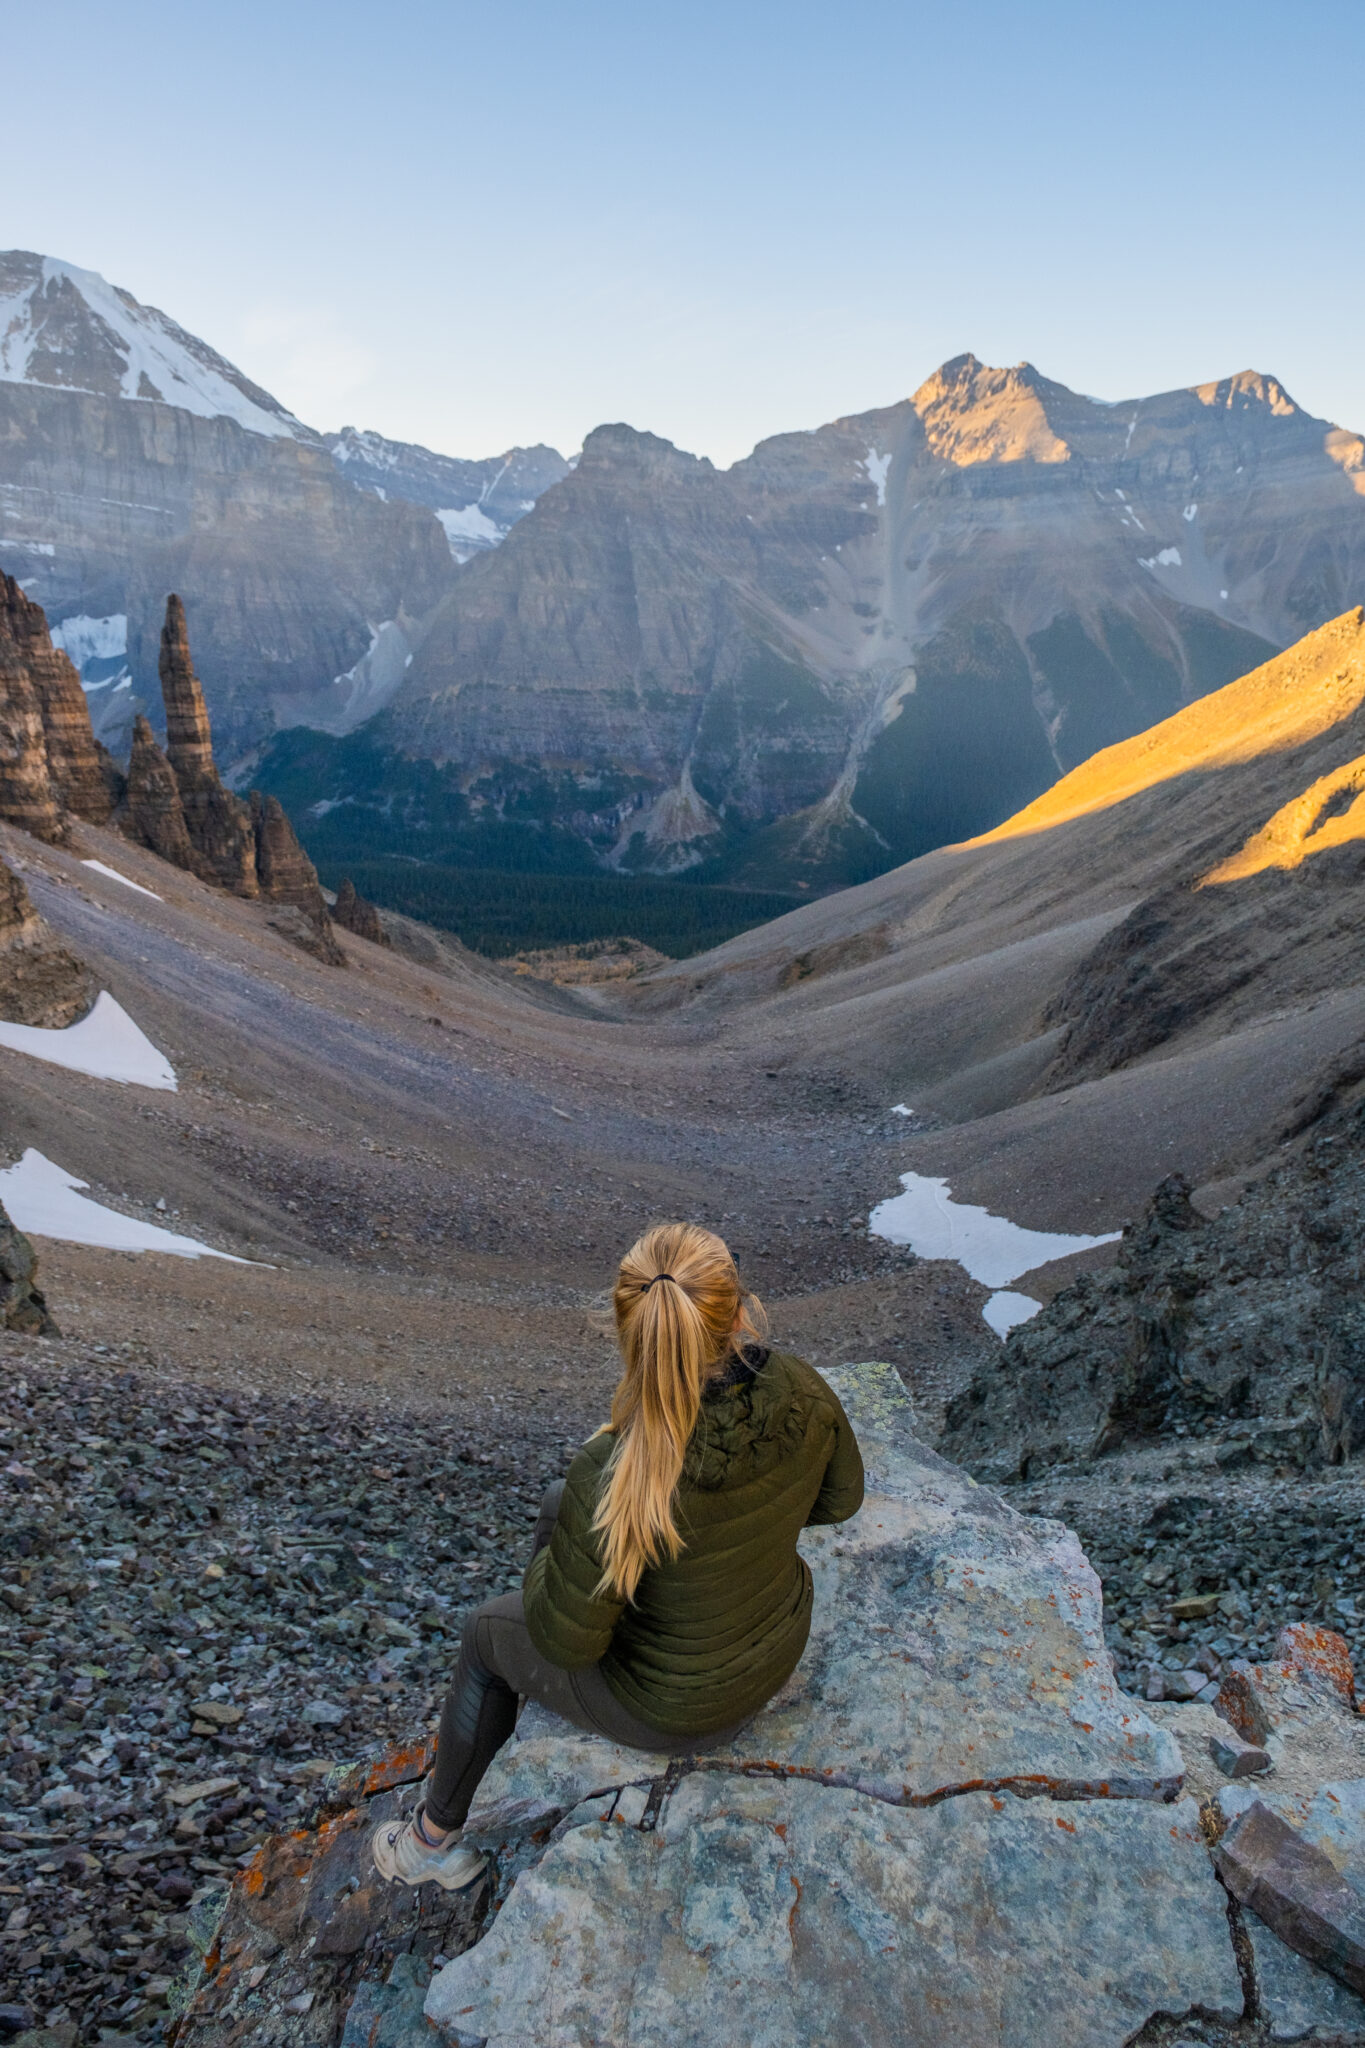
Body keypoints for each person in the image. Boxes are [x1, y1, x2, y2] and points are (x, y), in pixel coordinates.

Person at [372, 1220, 865, 1891]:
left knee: (488, 1633)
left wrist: (559, 1562)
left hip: (670, 1712)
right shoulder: (802, 1388)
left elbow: (568, 1644)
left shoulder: (618, 1469)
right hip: (774, 1652)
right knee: (560, 1502)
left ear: (629, 1326)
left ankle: (430, 1844)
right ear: (738, 1311)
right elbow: (838, 1502)